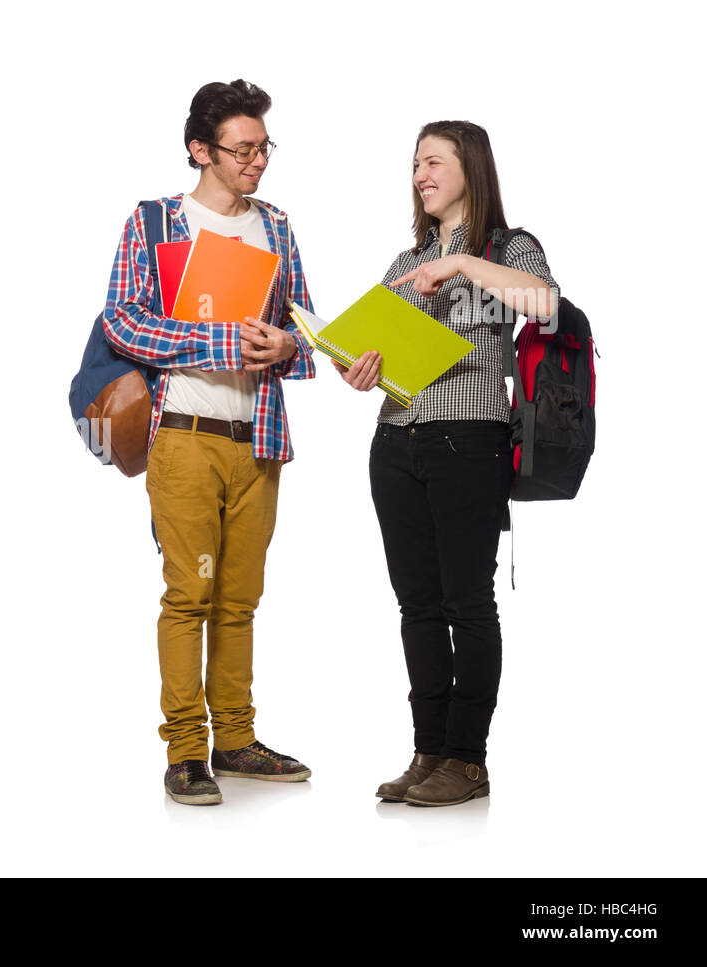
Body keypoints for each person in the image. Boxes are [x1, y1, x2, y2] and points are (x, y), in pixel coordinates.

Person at [101, 79, 317, 806]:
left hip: (258, 438)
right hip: (185, 437)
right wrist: (222, 336)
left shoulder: (276, 226)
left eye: (264, 148)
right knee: (188, 593)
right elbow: (124, 324)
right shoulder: (157, 222)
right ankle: (186, 750)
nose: (258, 162)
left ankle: (236, 739)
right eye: (243, 149)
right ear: (201, 150)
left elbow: (310, 338)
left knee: (240, 597)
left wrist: (286, 340)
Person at [336, 120, 559, 806]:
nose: (420, 174)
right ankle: (428, 750)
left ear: (471, 169)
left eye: (434, 161)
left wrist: (461, 264)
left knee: (468, 602)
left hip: (470, 440)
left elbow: (545, 305)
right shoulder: (404, 262)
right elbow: (367, 348)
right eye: (415, 164)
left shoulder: (509, 247)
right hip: (396, 442)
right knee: (418, 606)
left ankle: (467, 758)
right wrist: (357, 366)